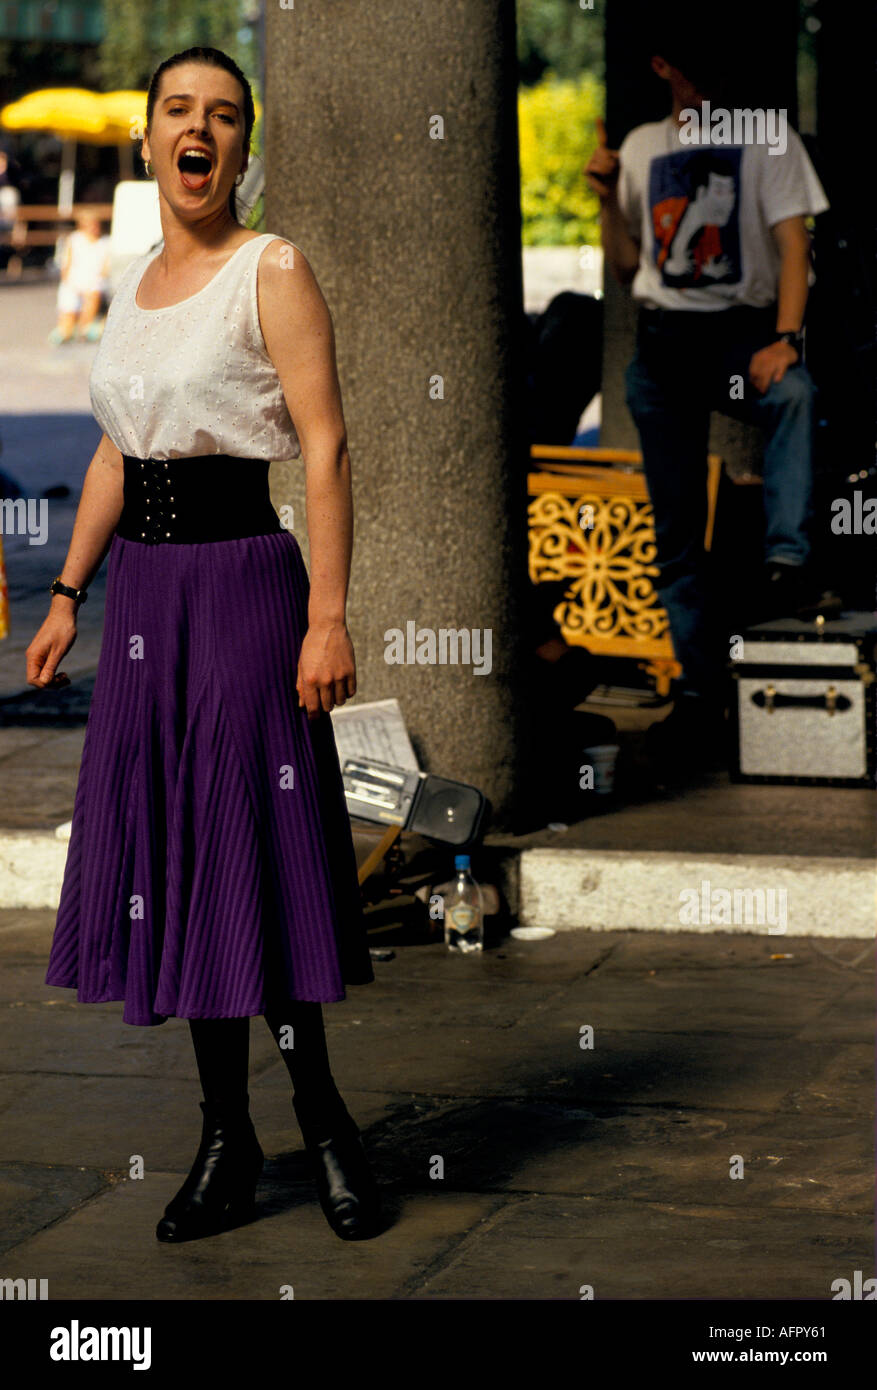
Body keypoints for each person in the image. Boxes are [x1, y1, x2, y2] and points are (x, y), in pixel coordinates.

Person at [27, 47, 381, 1244]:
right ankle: (226, 1135)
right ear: (147, 141)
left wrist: (327, 615)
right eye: (179, 111)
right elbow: (115, 455)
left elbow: (323, 448)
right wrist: (70, 590)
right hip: (145, 606)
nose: (201, 131)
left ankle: (325, 1119)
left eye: (224, 116)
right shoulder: (130, 285)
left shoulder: (269, 268)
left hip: (242, 590)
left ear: (243, 147)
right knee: (176, 861)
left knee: (256, 859)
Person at [585, 36, 829, 768]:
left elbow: (795, 247)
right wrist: (605, 202)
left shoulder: (766, 138)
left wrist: (785, 336)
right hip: (664, 345)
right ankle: (696, 690)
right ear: (662, 69)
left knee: (793, 392)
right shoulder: (639, 145)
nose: (703, 86)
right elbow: (628, 264)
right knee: (677, 532)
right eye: (686, 69)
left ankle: (786, 558)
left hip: (739, 335)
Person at [49, 214, 111, 344]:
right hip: (74, 281)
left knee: (93, 293)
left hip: (94, 283)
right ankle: (72, 329)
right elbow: (66, 264)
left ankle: (85, 326)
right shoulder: (75, 239)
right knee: (66, 328)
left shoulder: (105, 242)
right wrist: (69, 283)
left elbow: (105, 269)